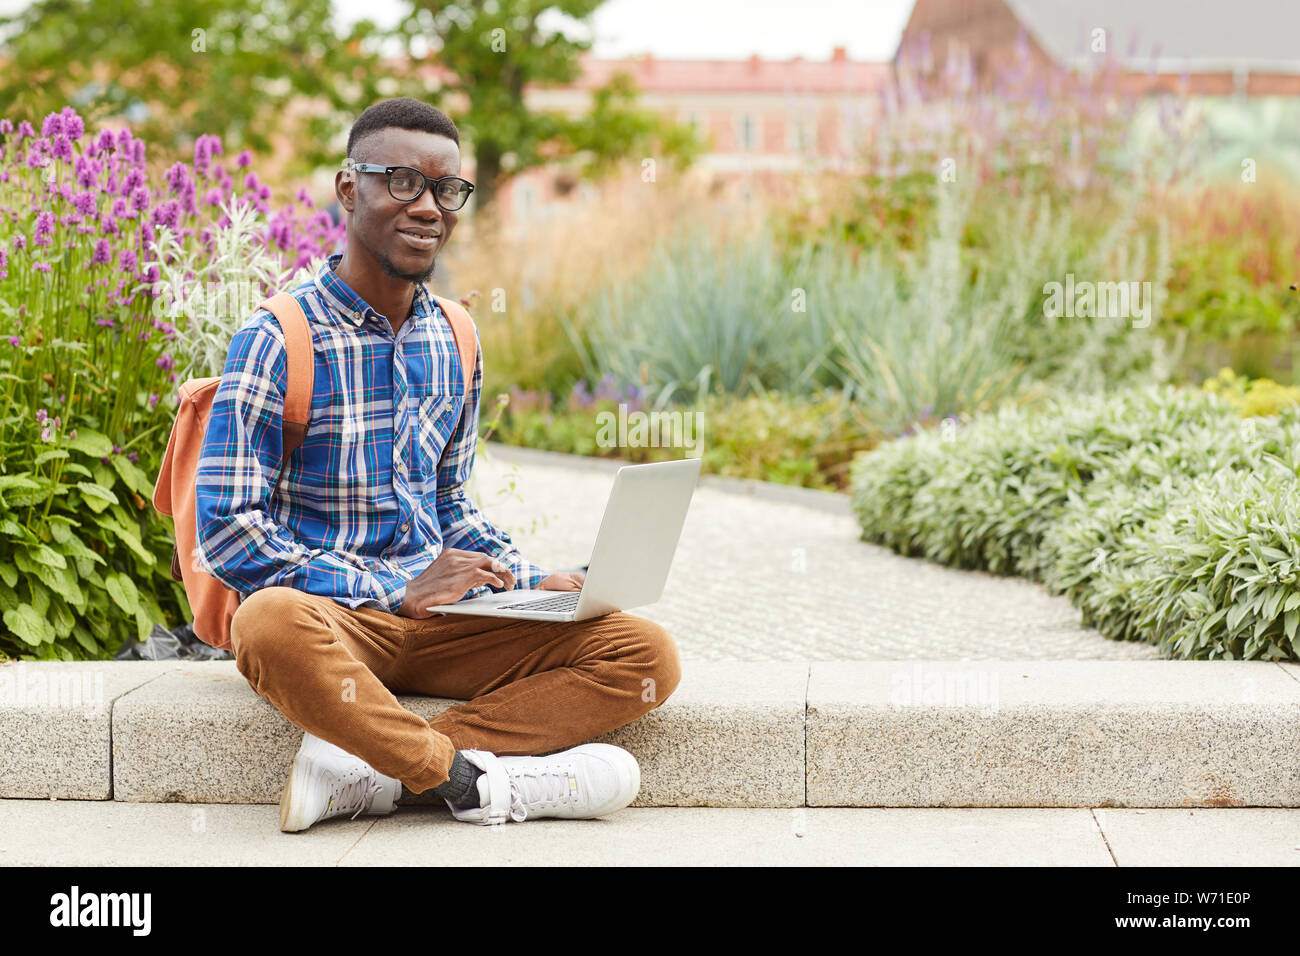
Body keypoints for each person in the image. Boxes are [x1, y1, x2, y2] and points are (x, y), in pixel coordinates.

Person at [194, 97, 681, 832]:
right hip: (336, 621)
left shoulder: (456, 334)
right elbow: (228, 534)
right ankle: (465, 782)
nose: (428, 207)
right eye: (401, 182)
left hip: (449, 624)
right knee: (265, 624)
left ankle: (385, 775)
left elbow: (452, 502)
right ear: (348, 188)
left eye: (446, 189)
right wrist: (397, 589)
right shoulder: (277, 337)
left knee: (642, 654)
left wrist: (525, 579)